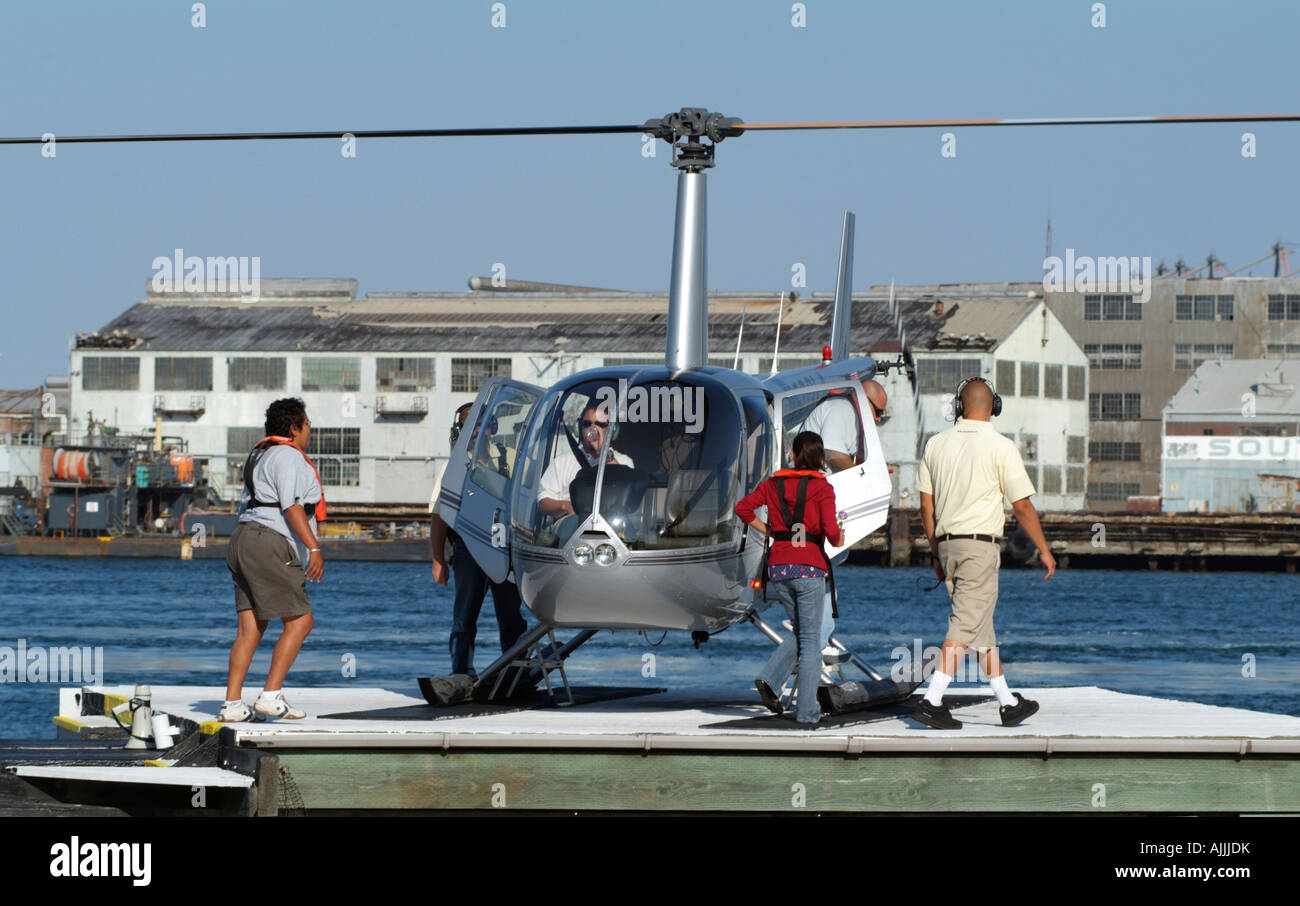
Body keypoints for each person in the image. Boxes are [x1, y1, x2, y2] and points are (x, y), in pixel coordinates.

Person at [914, 377, 1056, 730]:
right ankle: (931, 700)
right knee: (965, 623)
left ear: (958, 408)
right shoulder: (1000, 446)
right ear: (995, 407)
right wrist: (1043, 549)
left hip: (947, 545)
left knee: (979, 626)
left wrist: (935, 553)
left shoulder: (935, 445)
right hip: (979, 547)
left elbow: (926, 506)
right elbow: (1021, 505)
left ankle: (1008, 702)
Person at [219, 398, 324, 722]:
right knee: (301, 621)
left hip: (243, 538)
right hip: (270, 540)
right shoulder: (289, 456)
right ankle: (270, 695)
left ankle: (233, 704)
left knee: (250, 629)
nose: (309, 431)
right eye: (306, 425)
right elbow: (292, 506)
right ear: (294, 428)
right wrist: (314, 548)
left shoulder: (260, 455)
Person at [734, 432, 843, 724]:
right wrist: (839, 534)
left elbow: (742, 509)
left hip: (778, 570)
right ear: (820, 458)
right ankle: (807, 713)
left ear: (793, 456)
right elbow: (832, 534)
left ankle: (770, 677)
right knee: (810, 643)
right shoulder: (823, 488)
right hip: (809, 570)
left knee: (802, 635)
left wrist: (769, 531)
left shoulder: (773, 484)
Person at [430, 403, 528, 677]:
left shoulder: (508, 458)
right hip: (468, 548)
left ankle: (515, 671)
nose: (474, 432)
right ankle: (461, 671)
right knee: (464, 615)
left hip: (503, 547)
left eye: (479, 425)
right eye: (467, 427)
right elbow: (438, 517)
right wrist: (438, 560)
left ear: (491, 429)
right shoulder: (454, 466)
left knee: (511, 615)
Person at [537, 402, 635, 519]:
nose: (593, 428)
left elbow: (627, 495)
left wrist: (604, 453)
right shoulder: (562, 462)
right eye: (587, 423)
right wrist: (566, 506)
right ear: (579, 428)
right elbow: (543, 502)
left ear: (612, 430)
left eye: (600, 424)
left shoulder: (624, 462)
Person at [799, 378, 887, 472]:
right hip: (809, 481)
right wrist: (861, 475)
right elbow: (833, 453)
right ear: (864, 400)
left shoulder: (855, 416)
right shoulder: (841, 408)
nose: (878, 419)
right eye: (878, 412)